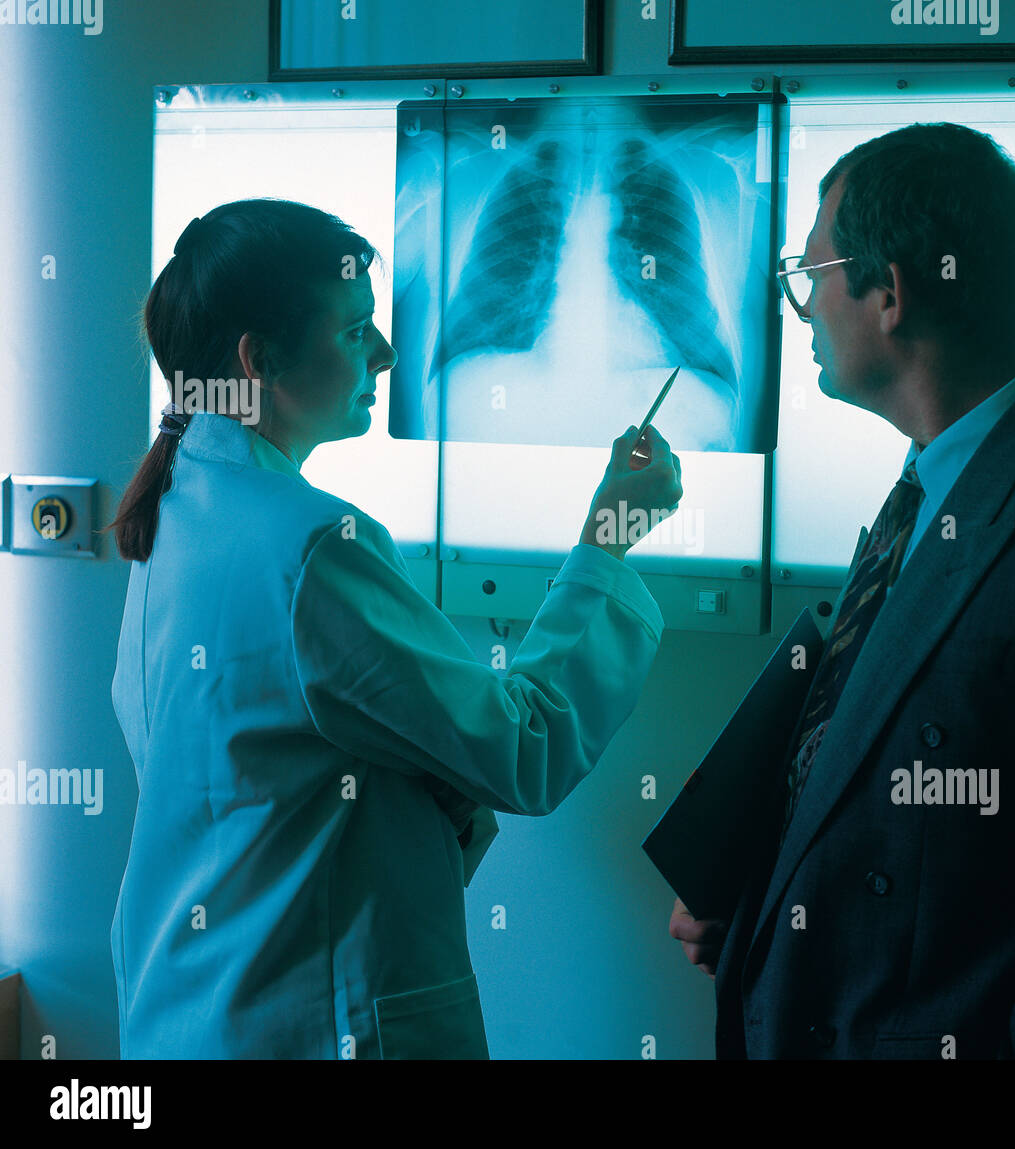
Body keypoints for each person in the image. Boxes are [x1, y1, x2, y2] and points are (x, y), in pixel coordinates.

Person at [670, 123, 1015, 1059]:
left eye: (809, 276)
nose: (800, 307)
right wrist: (772, 899)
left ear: (890, 292)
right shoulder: (930, 491)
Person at [106, 198, 682, 1059]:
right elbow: (524, 750)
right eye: (355, 330)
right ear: (256, 359)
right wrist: (608, 538)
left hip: (195, 1014)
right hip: (311, 1024)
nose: (386, 352)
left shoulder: (179, 513)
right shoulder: (308, 546)